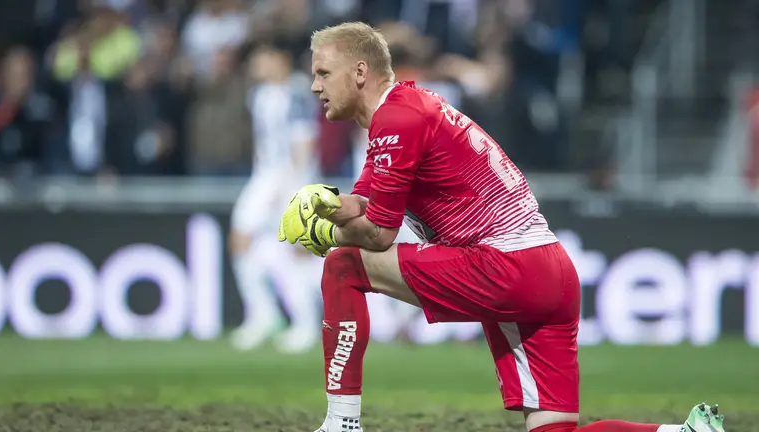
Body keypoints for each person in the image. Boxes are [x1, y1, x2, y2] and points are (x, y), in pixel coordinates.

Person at [277, 21, 727, 432]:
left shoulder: (397, 119)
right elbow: (368, 203)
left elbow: (378, 234)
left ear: (359, 72)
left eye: (322, 73)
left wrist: (325, 237)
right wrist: (328, 205)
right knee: (555, 431)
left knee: (343, 266)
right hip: (549, 270)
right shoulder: (407, 109)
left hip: (502, 264)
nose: (315, 86)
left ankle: (342, 423)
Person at [229, 46, 323, 354]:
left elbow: (303, 144)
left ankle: (306, 324)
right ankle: (263, 314)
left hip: (293, 177)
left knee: (295, 250)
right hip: (264, 176)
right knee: (240, 240)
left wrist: (292, 187)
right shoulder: (257, 96)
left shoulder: (297, 94)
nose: (257, 66)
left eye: (263, 60)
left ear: (280, 60)